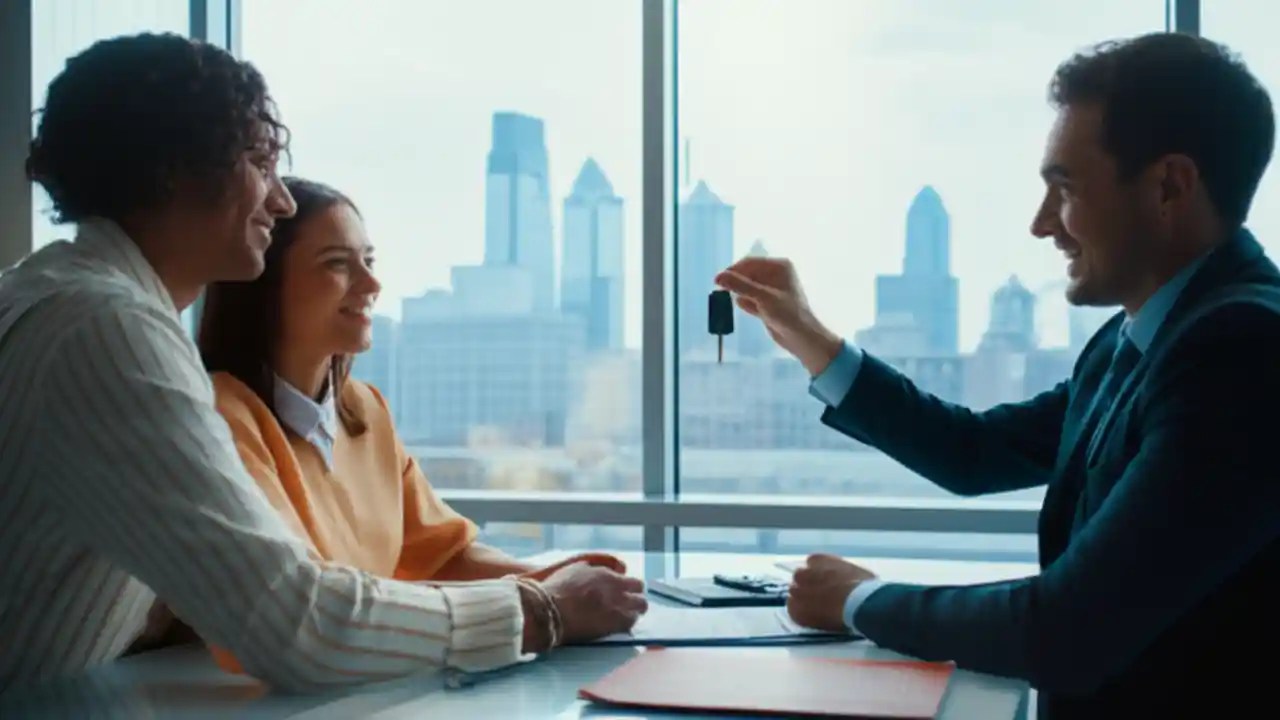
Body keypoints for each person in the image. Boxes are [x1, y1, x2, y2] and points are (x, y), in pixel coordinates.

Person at [0, 32, 644, 692]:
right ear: (174, 169)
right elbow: (296, 625)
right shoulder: (111, 331)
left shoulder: (55, 298)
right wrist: (544, 610)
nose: (279, 201)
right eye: (259, 164)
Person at [716, 32, 1280, 719]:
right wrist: (811, 341)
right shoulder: (1137, 339)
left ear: (1169, 186)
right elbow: (975, 452)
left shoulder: (1243, 350)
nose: (1043, 225)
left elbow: (1071, 627)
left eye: (1064, 189)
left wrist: (862, 602)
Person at [195, 176, 642, 672]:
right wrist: (547, 603)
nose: (371, 284)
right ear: (263, 284)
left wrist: (560, 579)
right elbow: (302, 608)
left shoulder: (365, 411)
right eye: (338, 264)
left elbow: (439, 555)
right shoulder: (218, 416)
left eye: (369, 261)